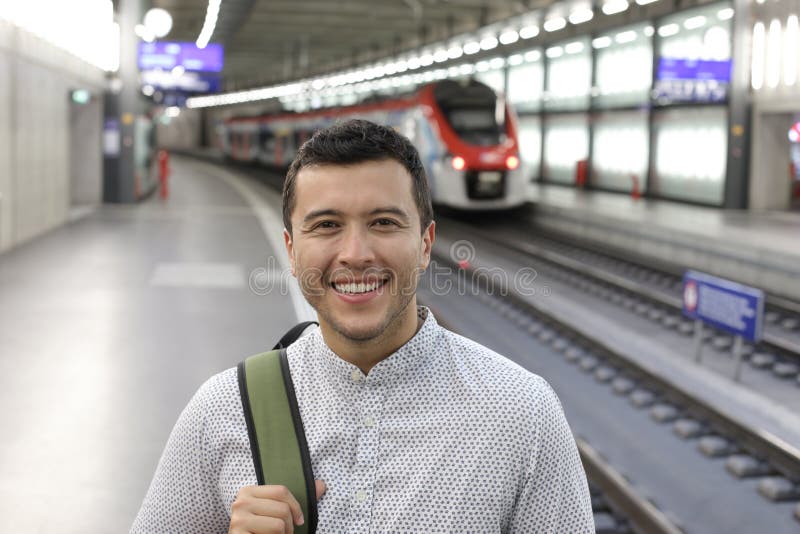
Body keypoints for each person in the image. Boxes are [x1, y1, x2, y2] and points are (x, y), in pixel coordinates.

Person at [131, 119, 594, 533]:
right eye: (327, 225)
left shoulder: (523, 414)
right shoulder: (221, 411)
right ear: (291, 251)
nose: (356, 253)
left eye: (384, 222)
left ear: (426, 244)